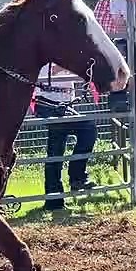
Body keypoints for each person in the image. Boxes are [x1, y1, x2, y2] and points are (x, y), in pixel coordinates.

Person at [33, 64, 98, 211]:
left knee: (55, 151)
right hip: (49, 104)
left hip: (60, 105)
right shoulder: (50, 57)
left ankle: (54, 200)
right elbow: (54, 72)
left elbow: (81, 76)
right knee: (87, 129)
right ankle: (76, 177)